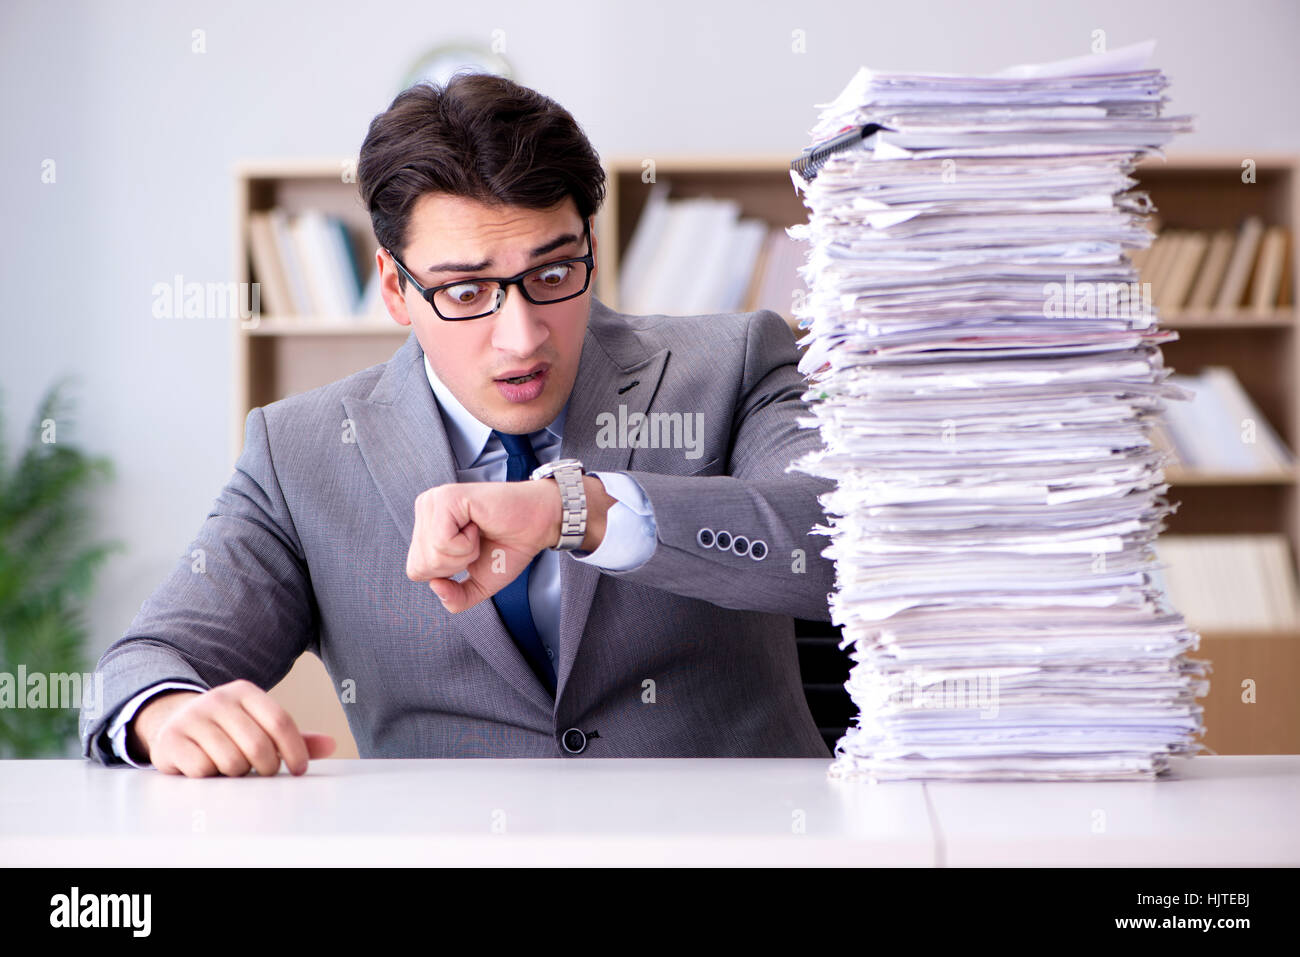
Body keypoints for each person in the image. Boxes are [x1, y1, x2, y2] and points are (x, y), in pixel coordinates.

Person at [79, 73, 836, 777]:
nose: (523, 335)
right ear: (395, 289)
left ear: (592, 252)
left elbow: (839, 540)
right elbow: (145, 660)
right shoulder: (300, 452)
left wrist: (579, 510)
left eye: (551, 274)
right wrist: (168, 712)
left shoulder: (733, 363)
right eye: (467, 289)